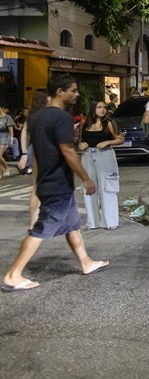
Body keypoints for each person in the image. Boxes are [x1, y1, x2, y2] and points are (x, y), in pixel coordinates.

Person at [3, 74, 108, 292]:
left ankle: (85, 262)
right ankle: (14, 274)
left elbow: (39, 151)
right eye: (73, 90)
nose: (76, 94)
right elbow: (68, 151)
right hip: (57, 183)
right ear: (60, 92)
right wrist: (86, 178)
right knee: (42, 228)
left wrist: (38, 181)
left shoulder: (38, 117)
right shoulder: (62, 118)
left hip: (48, 180)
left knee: (72, 224)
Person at [78, 101, 123, 229]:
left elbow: (120, 139)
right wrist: (81, 145)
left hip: (105, 155)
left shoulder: (109, 123)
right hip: (88, 156)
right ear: (93, 109)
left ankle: (110, 222)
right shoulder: (85, 124)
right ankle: (92, 222)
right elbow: (81, 141)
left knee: (107, 187)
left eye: (104, 107)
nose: (102, 110)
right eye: (99, 107)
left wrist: (107, 142)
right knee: (89, 188)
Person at [17, 90, 48, 230]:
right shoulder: (49, 112)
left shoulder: (32, 115)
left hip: (33, 149)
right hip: (46, 150)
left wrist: (24, 153)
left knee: (36, 187)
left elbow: (24, 133)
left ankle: (33, 221)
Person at [0, 104, 12, 177]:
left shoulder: (8, 117)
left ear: (2, 108)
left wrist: (11, 139)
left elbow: (11, 129)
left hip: (5, 137)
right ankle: (1, 172)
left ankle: (6, 168)